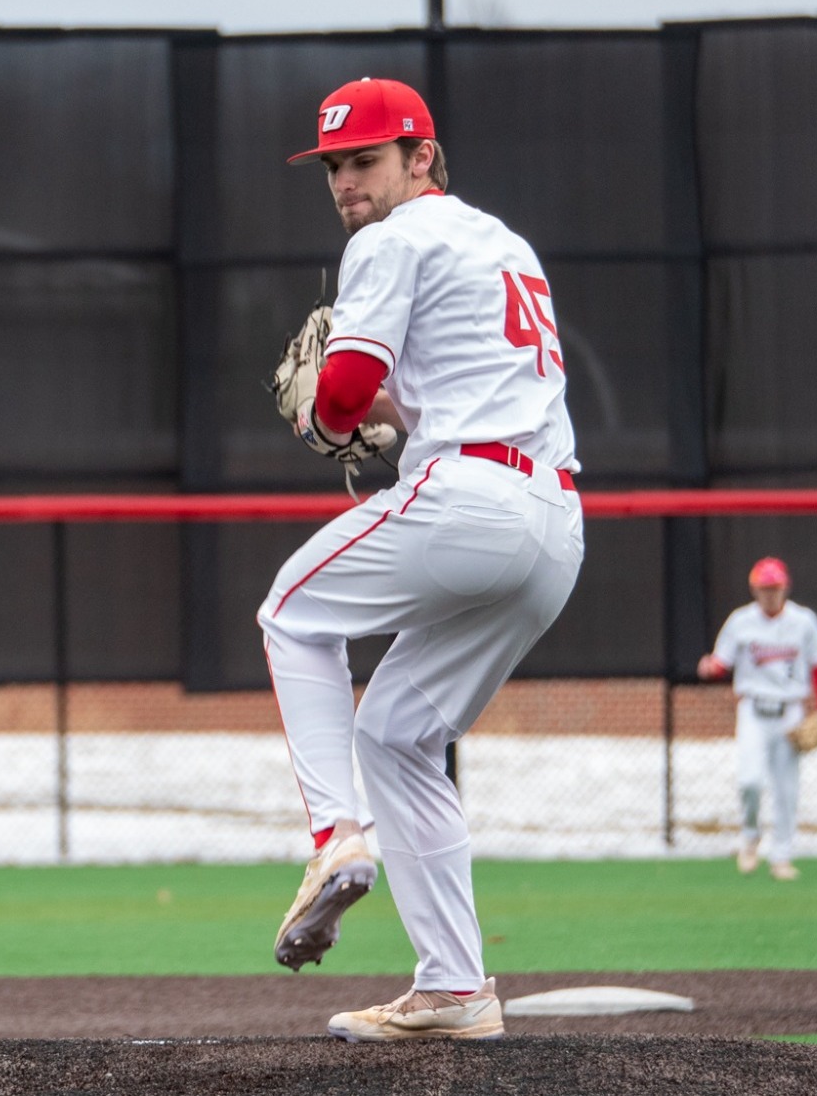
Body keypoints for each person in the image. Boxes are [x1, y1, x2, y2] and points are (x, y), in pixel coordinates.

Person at [257, 78, 584, 1043]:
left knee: (290, 613)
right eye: (335, 167)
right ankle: (454, 988)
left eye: (366, 160)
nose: (347, 183)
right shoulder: (503, 244)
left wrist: (328, 414)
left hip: (471, 503)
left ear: (421, 158)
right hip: (552, 521)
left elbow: (347, 388)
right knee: (397, 733)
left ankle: (334, 840)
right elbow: (447, 391)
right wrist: (395, 413)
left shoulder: (389, 240)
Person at [696, 556, 817, 881]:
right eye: (764, 588)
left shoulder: (804, 621)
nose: (770, 594)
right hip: (753, 711)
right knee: (750, 781)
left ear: (785, 587)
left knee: (787, 790)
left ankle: (781, 857)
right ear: (754, 590)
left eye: (774, 587)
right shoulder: (741, 621)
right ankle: (750, 835)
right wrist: (710, 668)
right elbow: (723, 662)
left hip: (790, 712)